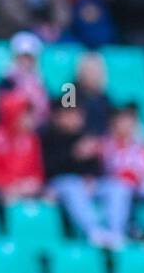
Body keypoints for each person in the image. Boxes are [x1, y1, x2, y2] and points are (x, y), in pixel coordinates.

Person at [41, 96, 130, 248]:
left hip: (88, 185)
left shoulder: (86, 137)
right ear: (57, 116)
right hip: (59, 185)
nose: (74, 118)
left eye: (77, 113)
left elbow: (96, 168)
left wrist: (90, 178)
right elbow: (48, 168)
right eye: (68, 114)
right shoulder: (48, 137)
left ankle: (116, 232)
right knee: (72, 185)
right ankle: (93, 231)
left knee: (119, 186)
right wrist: (73, 154)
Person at [0, 89, 44, 201]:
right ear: (12, 114)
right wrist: (12, 186)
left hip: (26, 190)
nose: (30, 120)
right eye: (25, 115)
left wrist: (29, 185)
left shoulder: (32, 140)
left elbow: (37, 172)